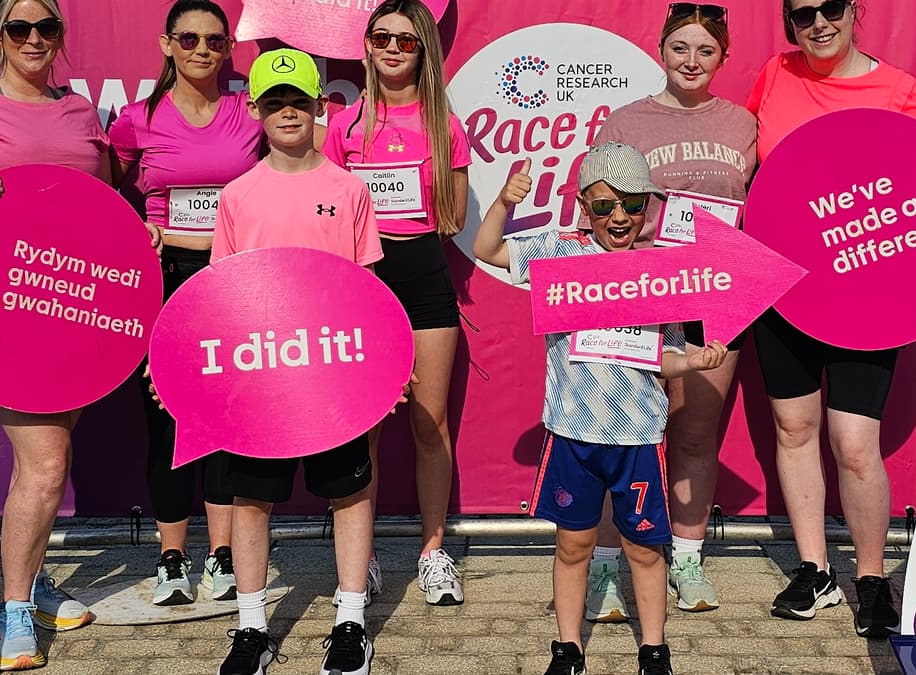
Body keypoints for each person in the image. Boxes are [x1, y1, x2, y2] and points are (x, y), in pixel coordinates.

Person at [0, 0, 154, 670]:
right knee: (43, 465)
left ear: (61, 37)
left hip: (70, 306)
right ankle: (11, 612)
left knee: (52, 455)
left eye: (47, 28)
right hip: (1, 310)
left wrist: (136, 230)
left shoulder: (78, 109)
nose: (35, 39)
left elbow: (96, 208)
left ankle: (38, 584)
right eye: (21, 28)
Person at [748, 0, 916, 638]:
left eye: (829, 8)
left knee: (855, 445)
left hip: (866, 290)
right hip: (782, 285)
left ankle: (869, 578)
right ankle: (814, 572)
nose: (818, 25)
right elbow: (752, 171)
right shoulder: (774, 74)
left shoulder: (897, 89)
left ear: (853, 10)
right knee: (793, 426)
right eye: (802, 15)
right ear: (789, 24)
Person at [474, 142, 729, 675]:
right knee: (573, 546)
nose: (620, 217)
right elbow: (487, 248)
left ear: (649, 208)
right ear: (584, 206)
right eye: (605, 204)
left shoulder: (663, 268)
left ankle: (654, 652)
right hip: (572, 433)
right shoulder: (561, 251)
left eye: (634, 206)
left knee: (644, 549)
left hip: (637, 437)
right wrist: (503, 201)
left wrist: (698, 360)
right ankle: (568, 650)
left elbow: (668, 357)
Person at [210, 48, 383, 675]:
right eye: (275, 101)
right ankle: (252, 627)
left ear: (320, 108)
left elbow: (366, 290)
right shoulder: (236, 195)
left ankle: (350, 621)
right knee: (252, 499)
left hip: (334, 373)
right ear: (255, 109)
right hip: (262, 376)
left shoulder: (350, 189)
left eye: (299, 101)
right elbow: (223, 294)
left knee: (350, 493)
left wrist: (377, 368)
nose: (288, 112)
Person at [584, 1, 755, 619]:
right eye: (680, 47)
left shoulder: (743, 124)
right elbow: (596, 213)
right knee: (612, 434)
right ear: (661, 50)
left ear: (723, 57)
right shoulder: (626, 120)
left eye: (705, 50)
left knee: (695, 434)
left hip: (718, 297)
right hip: (638, 297)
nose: (691, 60)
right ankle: (605, 566)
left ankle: (685, 558)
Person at [108, 0, 263, 608]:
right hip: (163, 280)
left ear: (229, 48)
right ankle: (171, 558)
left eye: (215, 41)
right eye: (189, 38)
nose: (203, 49)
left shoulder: (248, 111)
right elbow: (106, 196)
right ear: (166, 44)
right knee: (168, 418)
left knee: (226, 418)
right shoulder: (135, 121)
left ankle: (222, 558)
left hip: (232, 280)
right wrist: (135, 231)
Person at [321, 0, 470, 606]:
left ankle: (434, 552)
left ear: (423, 52)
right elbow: (324, 210)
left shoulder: (445, 126)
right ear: (366, 45)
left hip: (424, 272)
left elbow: (455, 216)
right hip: (362, 280)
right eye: (381, 37)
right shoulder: (342, 125)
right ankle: (366, 558)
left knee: (428, 420)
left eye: (405, 41)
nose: (390, 48)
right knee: (367, 426)